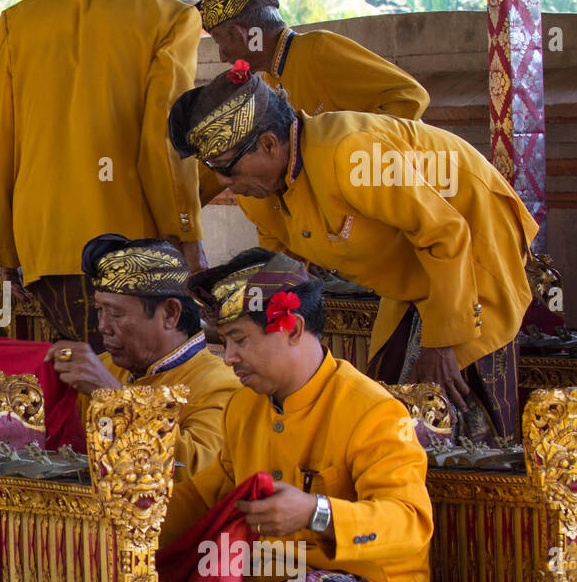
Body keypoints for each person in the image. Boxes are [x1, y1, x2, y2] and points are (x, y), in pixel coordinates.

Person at [168, 68, 538, 440]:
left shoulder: (350, 152)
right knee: (388, 394)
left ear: (268, 144)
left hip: (475, 248)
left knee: (453, 404)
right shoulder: (260, 196)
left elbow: (446, 232)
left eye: (226, 169)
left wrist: (442, 344)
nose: (225, 184)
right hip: (413, 273)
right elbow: (282, 279)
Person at [161, 248, 444, 582]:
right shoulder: (242, 408)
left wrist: (317, 512)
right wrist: (131, 531)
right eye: (225, 341)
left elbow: (410, 522)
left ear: (290, 328)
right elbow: (204, 500)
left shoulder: (372, 410)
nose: (228, 356)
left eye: (239, 339)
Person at [0, 0, 204, 349]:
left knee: (87, 378)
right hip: (135, 251)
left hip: (45, 248)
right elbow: (163, 146)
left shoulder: (20, 19)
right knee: (134, 394)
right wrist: (185, 234)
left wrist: (5, 247)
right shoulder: (171, 18)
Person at [194, 0, 430, 205]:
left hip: (404, 194)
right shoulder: (268, 79)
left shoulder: (318, 50)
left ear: (241, 34)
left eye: (219, 41)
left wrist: (353, 163)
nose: (223, 56)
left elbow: (409, 96)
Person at [46, 234, 238, 480]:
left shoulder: (219, 383)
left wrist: (115, 398)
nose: (103, 326)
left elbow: (197, 470)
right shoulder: (104, 368)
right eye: (100, 311)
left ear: (169, 313)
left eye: (115, 314)